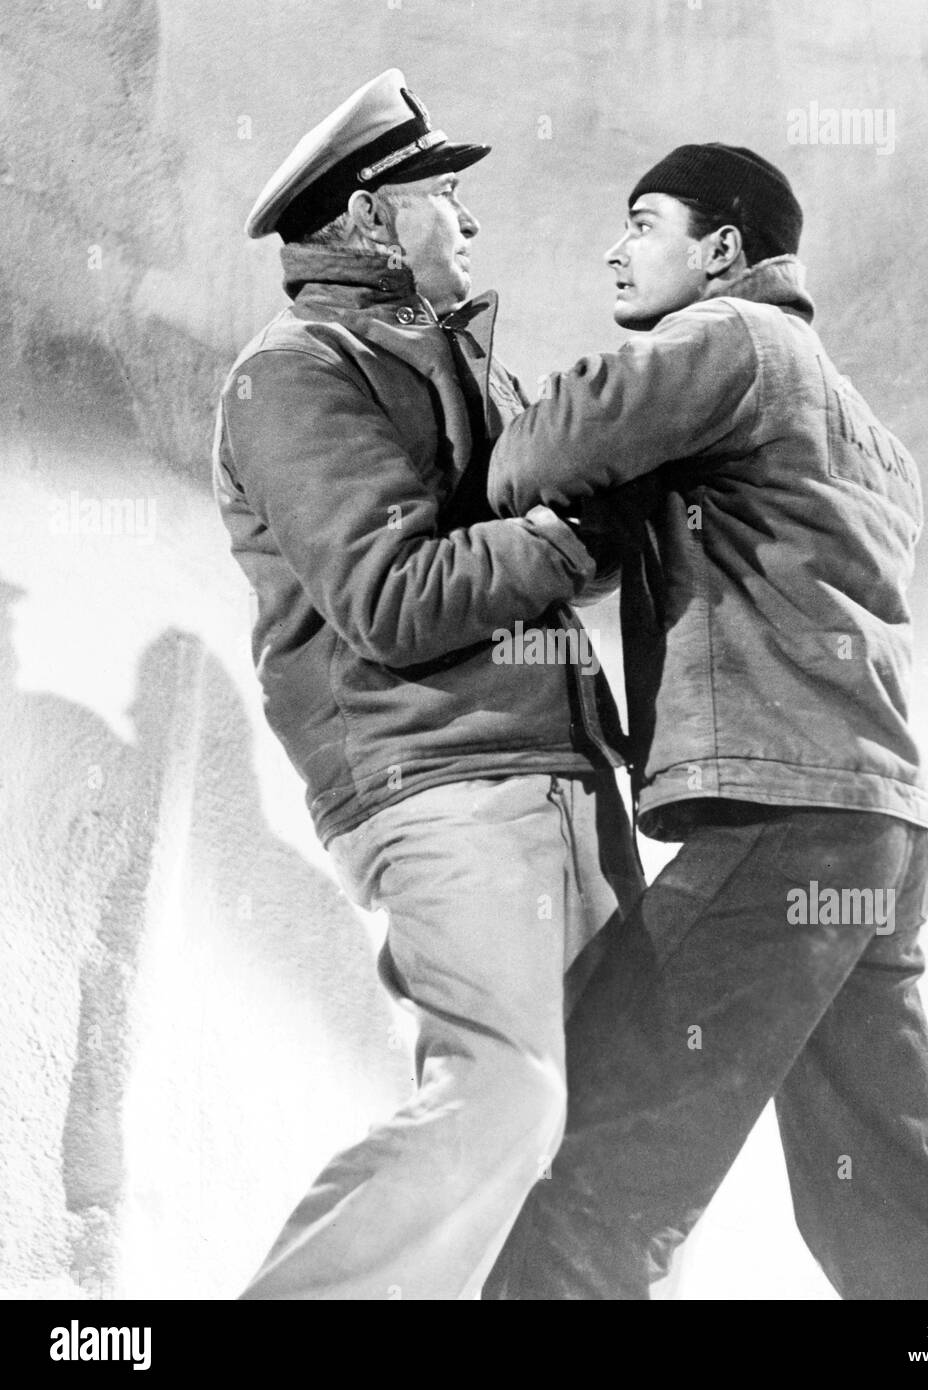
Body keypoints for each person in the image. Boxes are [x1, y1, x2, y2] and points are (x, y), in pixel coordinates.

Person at [481, 143, 928, 1300]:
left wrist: (518, 445)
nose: (615, 247)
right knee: (896, 1217)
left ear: (722, 248)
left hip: (783, 818)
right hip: (884, 833)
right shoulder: (864, 426)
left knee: (599, 1173)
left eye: (642, 221)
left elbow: (537, 457)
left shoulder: (728, 339)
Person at [211, 69, 642, 1301]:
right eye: (443, 196)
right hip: (445, 782)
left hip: (560, 784)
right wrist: (563, 537)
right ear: (364, 217)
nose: (469, 221)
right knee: (504, 1092)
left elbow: (538, 549)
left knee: (583, 1161)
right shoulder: (293, 372)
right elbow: (391, 597)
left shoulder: (459, 368)